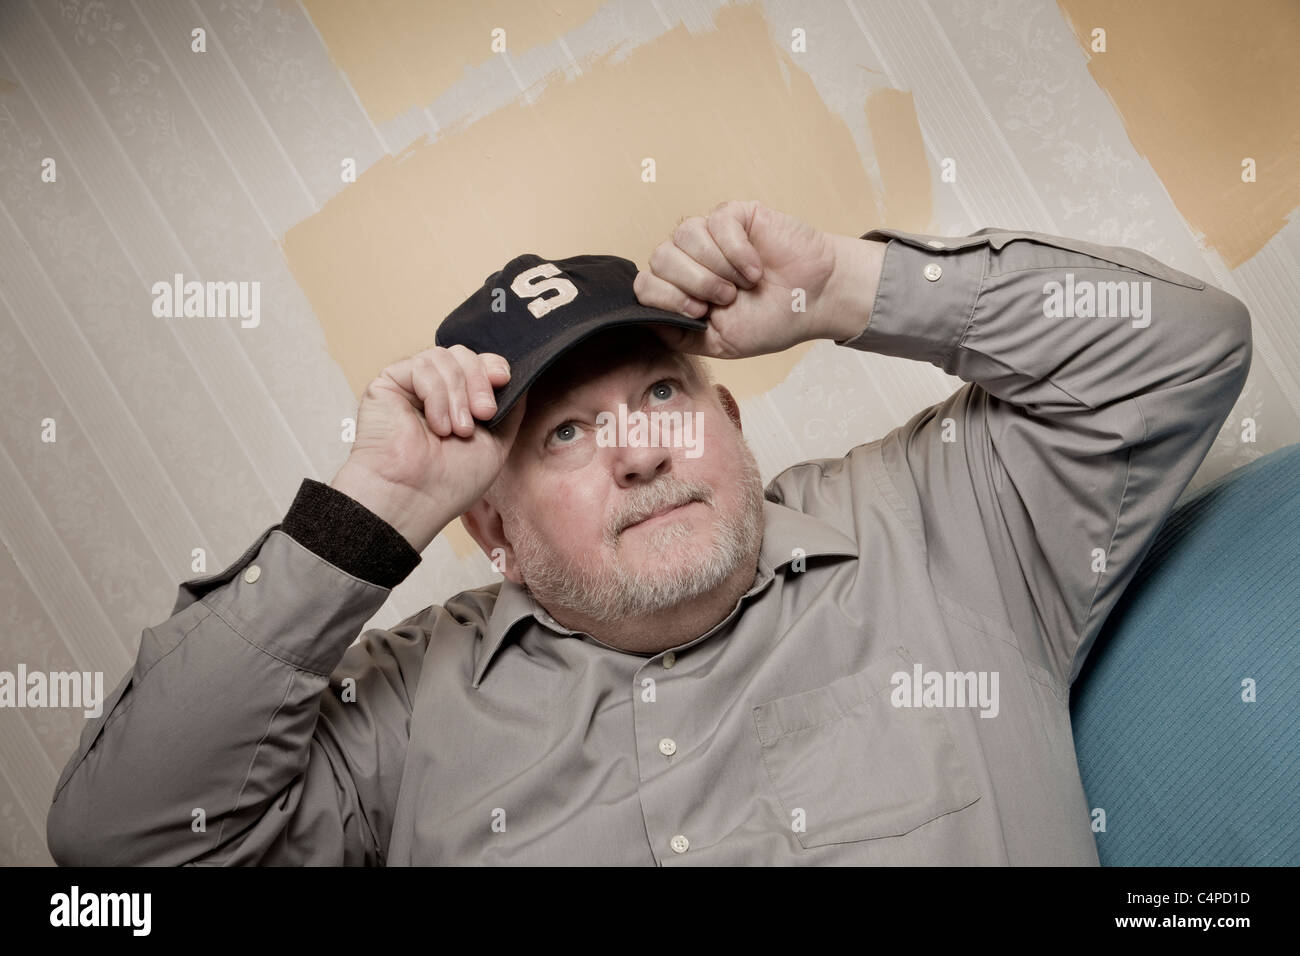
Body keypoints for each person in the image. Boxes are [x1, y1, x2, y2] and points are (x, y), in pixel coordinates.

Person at [46, 200, 1251, 865]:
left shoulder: (944, 525)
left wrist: (848, 286)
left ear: (727, 422)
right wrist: (372, 508)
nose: (637, 446)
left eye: (661, 395)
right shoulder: (405, 722)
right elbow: (117, 846)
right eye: (563, 435)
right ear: (492, 530)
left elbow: (1181, 349)